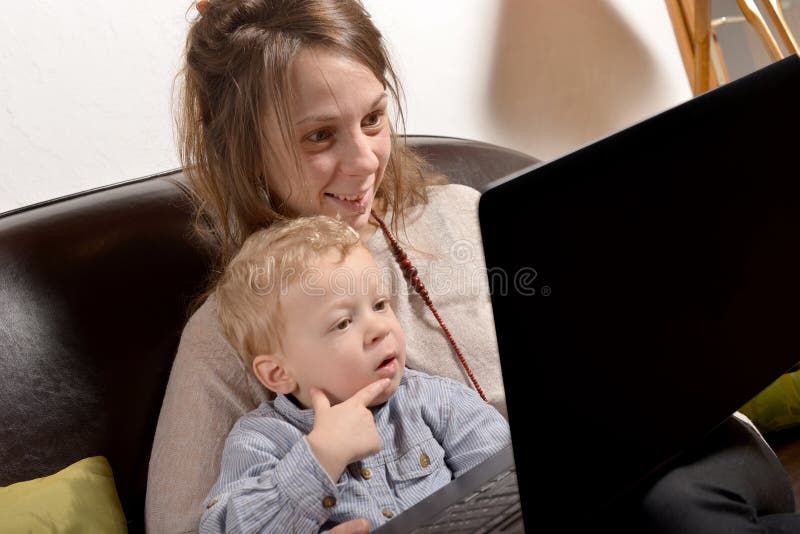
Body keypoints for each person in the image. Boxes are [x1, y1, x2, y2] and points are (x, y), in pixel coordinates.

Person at [146, 0, 799, 532]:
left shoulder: (467, 214)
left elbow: (611, 352)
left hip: (666, 458)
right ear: (244, 152)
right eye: (320, 136)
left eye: (374, 118)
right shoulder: (232, 329)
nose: (367, 159)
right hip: (597, 509)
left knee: (676, 506)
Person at [199, 215, 511, 532]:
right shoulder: (261, 440)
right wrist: (321, 456)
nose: (379, 328)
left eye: (379, 304)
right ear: (278, 373)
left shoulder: (438, 401)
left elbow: (508, 485)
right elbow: (223, 527)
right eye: (343, 323)